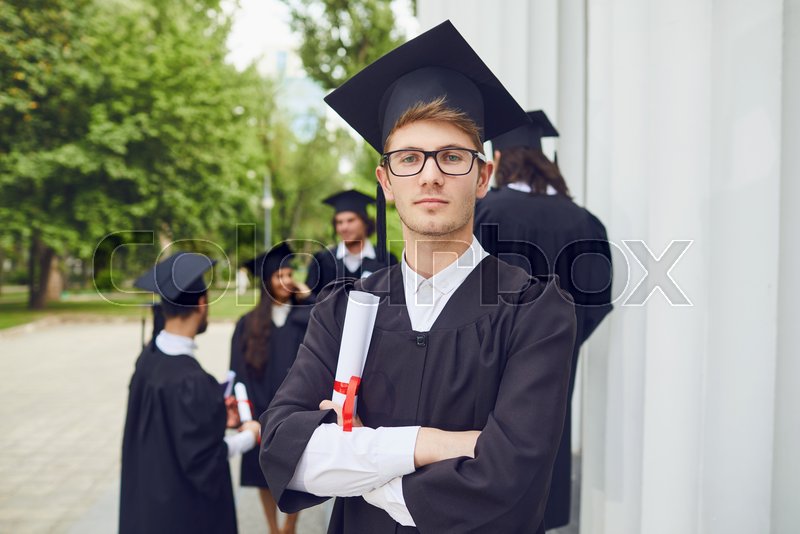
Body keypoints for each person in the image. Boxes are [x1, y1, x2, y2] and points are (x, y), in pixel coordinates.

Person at [259, 21, 577, 534]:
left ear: (482, 176)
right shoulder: (343, 308)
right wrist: (435, 444)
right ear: (386, 181)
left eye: (452, 157)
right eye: (410, 158)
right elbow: (282, 450)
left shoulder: (535, 312)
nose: (430, 175)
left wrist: (358, 465)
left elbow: (509, 485)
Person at [474, 110, 614, 530]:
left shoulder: (484, 213)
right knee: (543, 459)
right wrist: (559, 345)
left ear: (497, 161)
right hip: (555, 366)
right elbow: (597, 303)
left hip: (487, 367)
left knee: (485, 467)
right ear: (543, 159)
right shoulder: (584, 221)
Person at [120, 252, 261, 534]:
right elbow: (204, 459)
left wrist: (216, 418)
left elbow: (170, 429)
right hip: (181, 514)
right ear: (201, 304)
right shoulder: (192, 381)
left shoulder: (147, 360)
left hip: (146, 505)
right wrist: (248, 436)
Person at [230, 243, 312, 534]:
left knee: (297, 471)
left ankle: (290, 526)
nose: (286, 280)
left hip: (297, 411)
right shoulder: (248, 323)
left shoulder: (306, 318)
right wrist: (247, 415)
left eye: (290, 274)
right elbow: (237, 373)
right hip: (260, 412)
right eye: (279, 275)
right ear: (266, 282)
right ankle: (272, 529)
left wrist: (309, 297)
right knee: (262, 473)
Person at [305, 189, 398, 295]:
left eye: (350, 220)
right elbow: (310, 302)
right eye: (339, 222)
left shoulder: (387, 261)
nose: (344, 227)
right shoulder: (323, 261)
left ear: (365, 222)